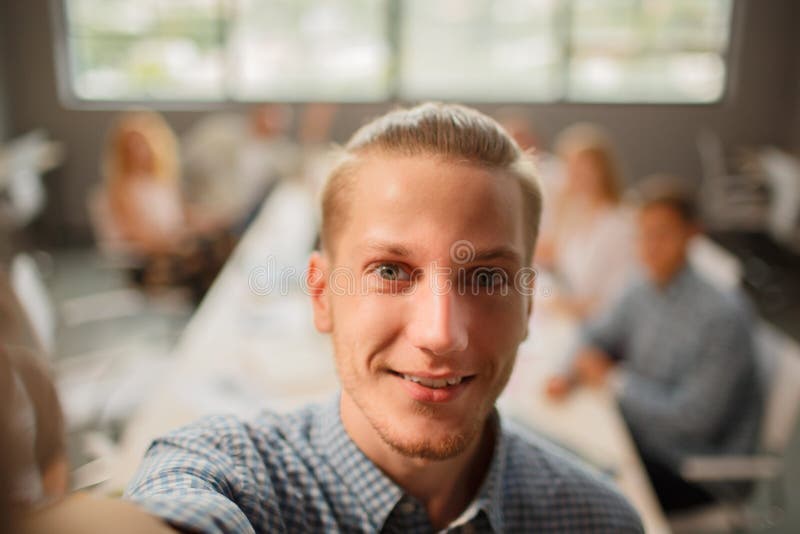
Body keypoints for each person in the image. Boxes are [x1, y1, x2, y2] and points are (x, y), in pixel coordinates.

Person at [123, 103, 642, 533]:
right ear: (322, 295)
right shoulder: (228, 476)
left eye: (486, 279)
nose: (440, 335)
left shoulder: (600, 522)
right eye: (392, 270)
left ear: (527, 305)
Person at [546, 175, 763, 512]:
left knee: (568, 493)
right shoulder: (642, 286)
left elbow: (694, 419)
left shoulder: (723, 316)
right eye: (643, 235)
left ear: (693, 234)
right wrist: (568, 373)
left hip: (689, 467)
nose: (649, 246)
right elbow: (594, 333)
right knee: (552, 455)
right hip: (640, 436)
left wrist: (613, 381)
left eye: (662, 234)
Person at [101, 111, 236, 300]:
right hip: (154, 265)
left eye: (142, 144)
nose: (138, 151)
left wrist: (214, 219)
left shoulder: (162, 182)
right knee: (218, 262)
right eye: (131, 146)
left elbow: (184, 215)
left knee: (226, 240)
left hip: (180, 252)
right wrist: (182, 238)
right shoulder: (122, 190)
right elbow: (145, 237)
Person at [535, 124, 635, 319]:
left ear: (603, 171)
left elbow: (620, 294)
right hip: (569, 312)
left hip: (599, 319)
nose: (575, 174)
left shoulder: (620, 223)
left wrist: (569, 306)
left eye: (584, 166)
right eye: (570, 165)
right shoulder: (574, 216)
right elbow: (552, 255)